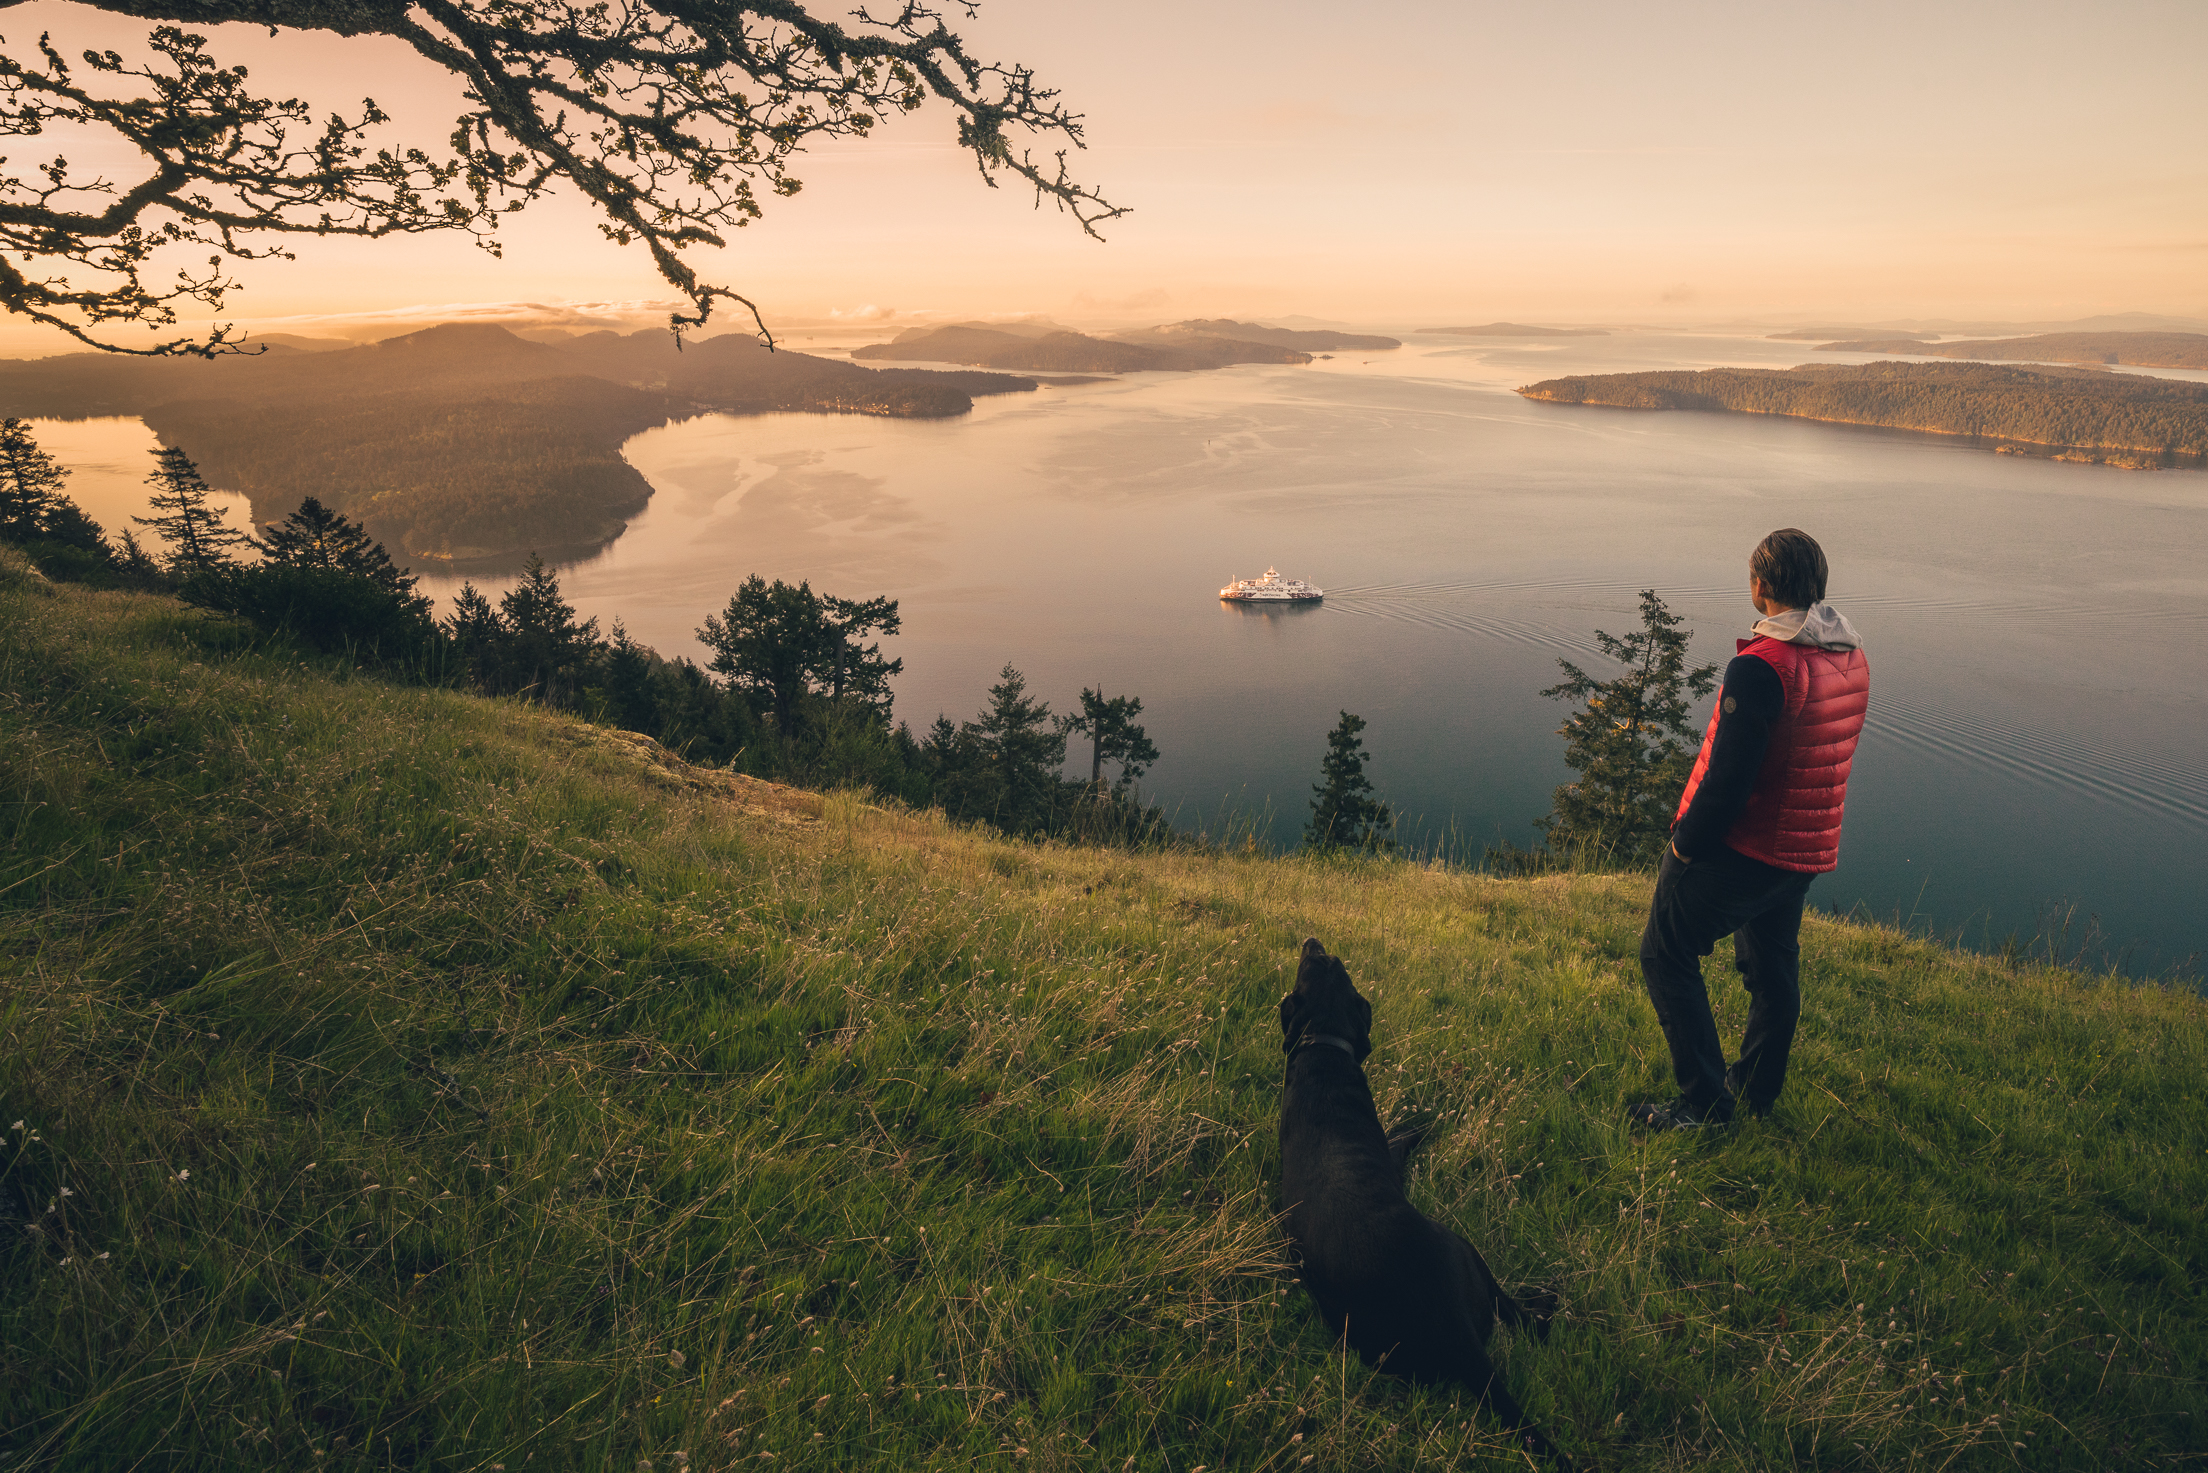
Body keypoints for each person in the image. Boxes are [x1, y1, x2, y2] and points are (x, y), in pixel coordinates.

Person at [1631, 528, 1869, 1129]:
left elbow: (1729, 782)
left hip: (1748, 848)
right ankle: (1757, 1090)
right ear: (1816, 585)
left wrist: (1685, 843)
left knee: (1666, 953)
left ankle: (1705, 1106)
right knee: (1771, 966)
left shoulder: (1763, 667)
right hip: (1802, 851)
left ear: (1761, 586)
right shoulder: (1849, 657)